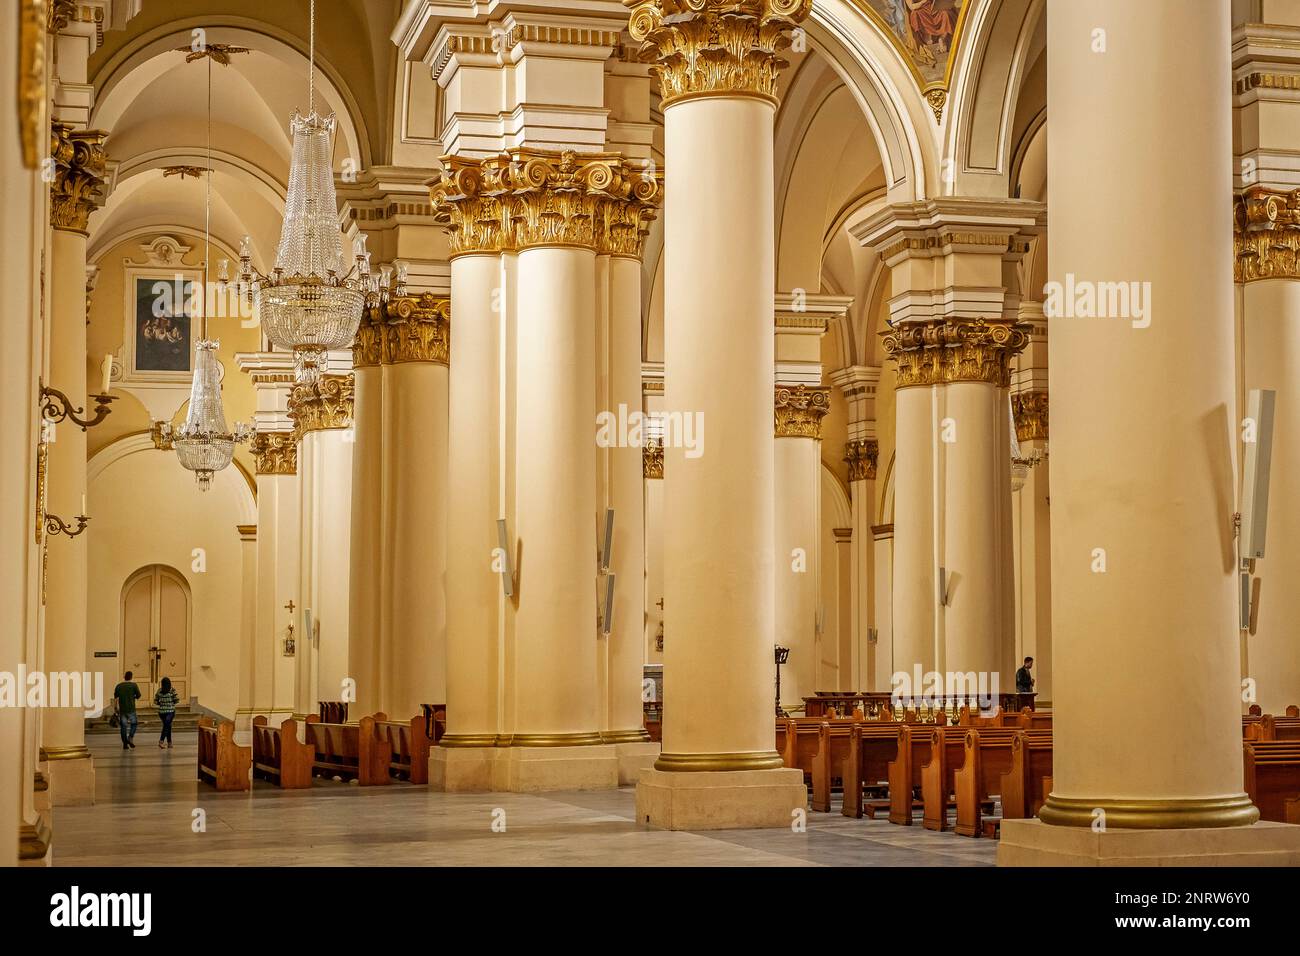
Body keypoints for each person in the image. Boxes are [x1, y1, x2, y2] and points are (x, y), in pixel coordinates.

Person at [113, 671, 142, 750]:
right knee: (134, 724)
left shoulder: (119, 686)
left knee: (123, 727)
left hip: (122, 710)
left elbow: (115, 698)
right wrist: (133, 697)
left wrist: (115, 708)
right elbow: (139, 696)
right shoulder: (134, 685)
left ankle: (125, 744)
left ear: (124, 677)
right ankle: (130, 737)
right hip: (131, 709)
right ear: (131, 677)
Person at [154, 677, 180, 750]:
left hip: (161, 712)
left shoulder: (159, 691)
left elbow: (155, 701)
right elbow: (177, 700)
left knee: (167, 725)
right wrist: (171, 703)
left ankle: (169, 742)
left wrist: (161, 703)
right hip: (170, 711)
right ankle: (161, 741)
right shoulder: (172, 690)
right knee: (167, 726)